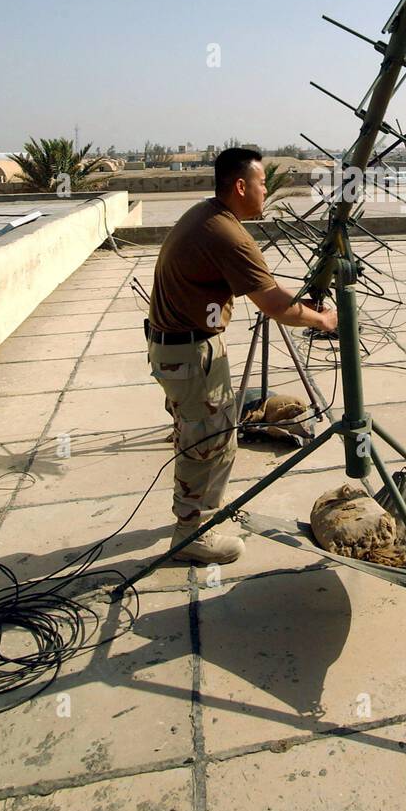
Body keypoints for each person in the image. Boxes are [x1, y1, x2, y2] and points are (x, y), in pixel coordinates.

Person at [146, 147, 337, 566]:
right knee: (209, 444)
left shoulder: (206, 215)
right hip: (191, 354)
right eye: (262, 182)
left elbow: (265, 293)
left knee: (204, 435)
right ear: (240, 185)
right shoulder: (227, 234)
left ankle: (198, 510)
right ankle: (190, 535)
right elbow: (276, 306)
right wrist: (322, 320)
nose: (266, 189)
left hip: (178, 350)